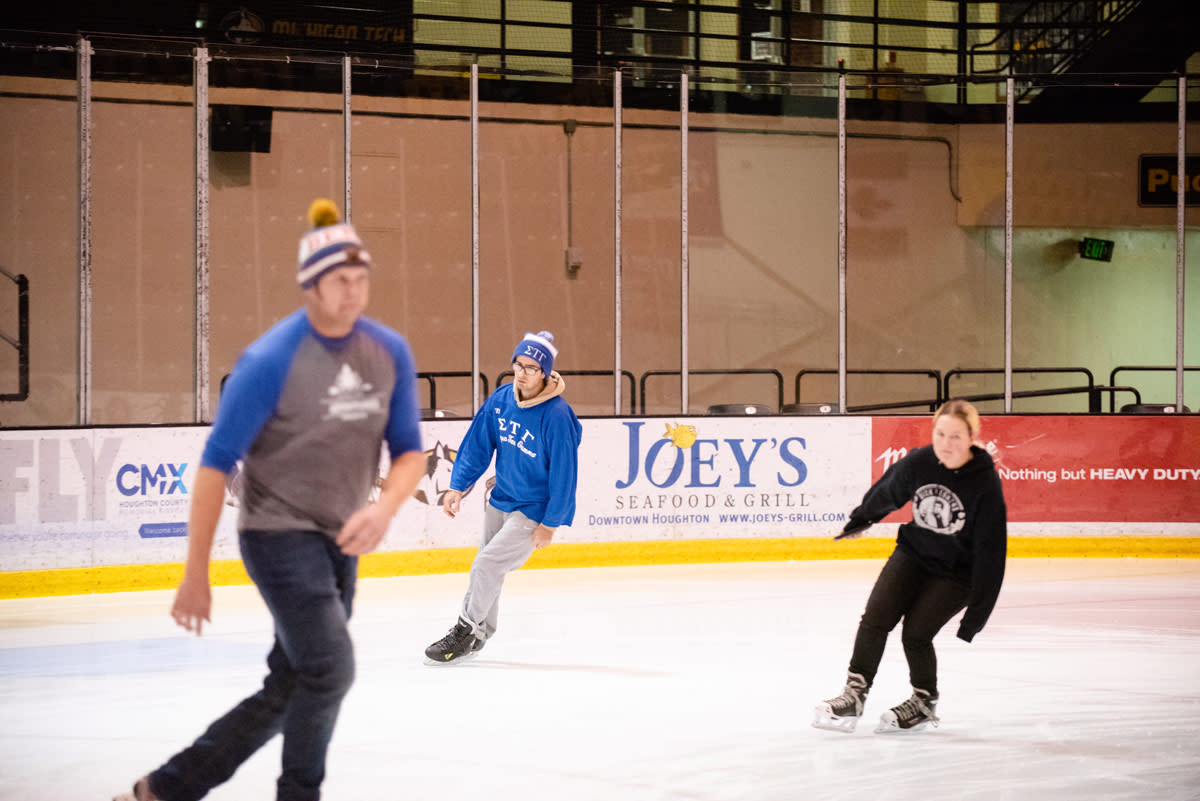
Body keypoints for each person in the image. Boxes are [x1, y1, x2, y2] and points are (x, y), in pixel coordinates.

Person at [113, 199, 425, 801]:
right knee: (330, 668)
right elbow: (214, 468)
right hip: (276, 534)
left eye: (361, 278)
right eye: (339, 279)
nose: (353, 290)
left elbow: (410, 451)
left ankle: (163, 790)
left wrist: (383, 508)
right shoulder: (269, 360)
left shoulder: (389, 353)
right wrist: (195, 573)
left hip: (340, 538)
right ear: (311, 285)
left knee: (292, 685)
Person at [812, 399, 1007, 734]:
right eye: (940, 434)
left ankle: (924, 702)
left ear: (972, 438)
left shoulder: (984, 484)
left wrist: (976, 616)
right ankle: (854, 695)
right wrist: (862, 518)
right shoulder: (922, 462)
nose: (946, 444)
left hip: (957, 572)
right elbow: (890, 489)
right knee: (875, 619)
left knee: (915, 634)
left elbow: (992, 553)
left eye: (956, 437)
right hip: (914, 554)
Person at [424, 330, 582, 663]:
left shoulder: (556, 415)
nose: (522, 373)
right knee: (488, 568)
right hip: (501, 499)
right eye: (518, 365)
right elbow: (477, 445)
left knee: (486, 565)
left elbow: (565, 474)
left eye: (531, 368)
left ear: (545, 372)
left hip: (534, 510)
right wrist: (457, 486)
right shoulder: (501, 400)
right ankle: (479, 635)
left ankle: (464, 630)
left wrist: (550, 524)